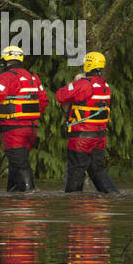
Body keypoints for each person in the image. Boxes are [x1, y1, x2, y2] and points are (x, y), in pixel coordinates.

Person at [0, 45, 47, 192]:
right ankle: (13, 196)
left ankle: (29, 195)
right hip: (31, 129)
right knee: (16, 163)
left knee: (20, 165)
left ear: (5, 60)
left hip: (13, 129)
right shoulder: (33, 78)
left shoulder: (6, 77)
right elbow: (44, 101)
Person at [55, 51, 119, 193]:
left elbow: (60, 96)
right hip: (99, 136)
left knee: (76, 170)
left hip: (81, 136)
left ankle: (72, 203)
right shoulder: (105, 86)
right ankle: (113, 195)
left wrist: (76, 81)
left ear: (88, 65)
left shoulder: (82, 84)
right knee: (97, 169)